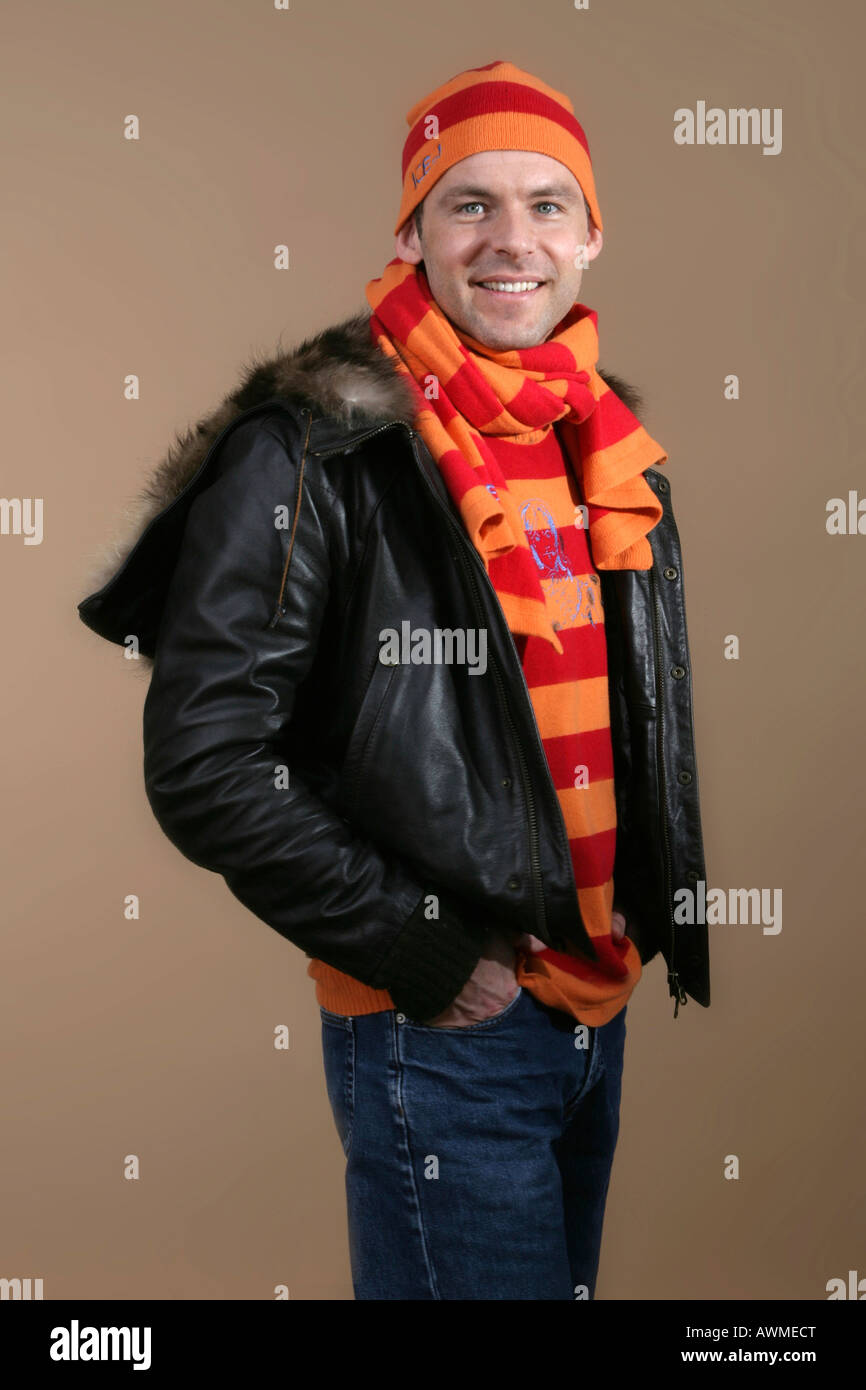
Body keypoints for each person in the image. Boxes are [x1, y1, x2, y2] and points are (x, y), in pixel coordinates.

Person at [78, 59, 709, 1301]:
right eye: (467, 203)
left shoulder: (610, 452)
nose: (508, 240)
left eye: (543, 202)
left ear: (590, 234)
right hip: (441, 1028)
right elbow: (206, 761)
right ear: (410, 230)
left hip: (594, 1010)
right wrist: (423, 947)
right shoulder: (314, 447)